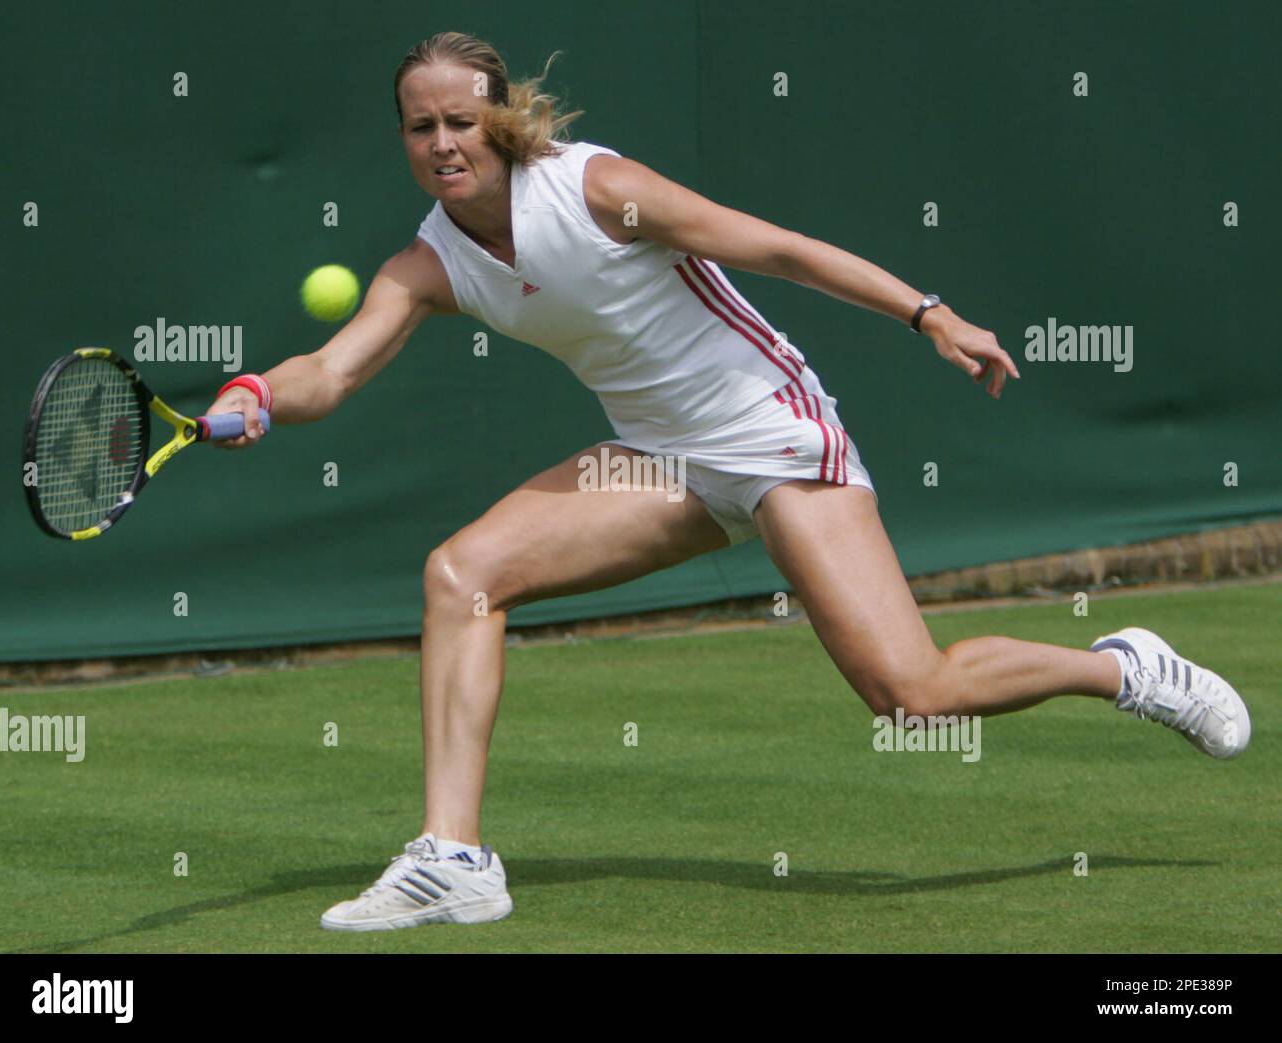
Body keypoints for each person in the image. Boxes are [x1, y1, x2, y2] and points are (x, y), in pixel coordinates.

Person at [204, 31, 1251, 932]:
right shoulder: (428, 262)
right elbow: (331, 371)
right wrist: (258, 388)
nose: (441, 143)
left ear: (500, 119)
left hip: (773, 436)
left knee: (910, 695)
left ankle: (1123, 666)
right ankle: (454, 859)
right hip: (660, 461)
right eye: (419, 127)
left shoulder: (597, 189)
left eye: (460, 122)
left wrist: (929, 314)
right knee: (461, 574)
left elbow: (780, 249)